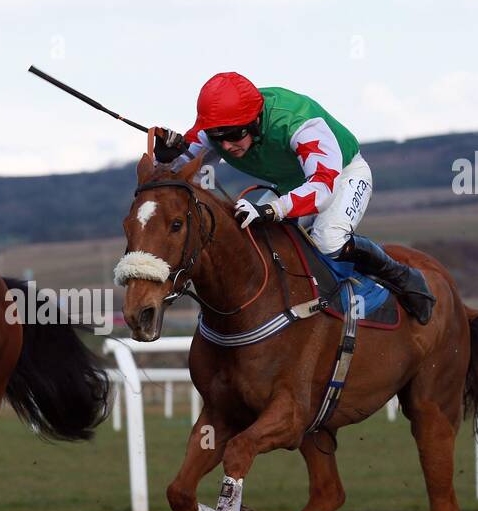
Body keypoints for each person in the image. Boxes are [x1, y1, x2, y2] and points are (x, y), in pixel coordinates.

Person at [155, 72, 435, 324]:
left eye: (235, 135)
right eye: (219, 138)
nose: (227, 146)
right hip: (291, 185)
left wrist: (273, 208)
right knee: (252, 237)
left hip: (340, 176)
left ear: (254, 121)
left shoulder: (298, 124)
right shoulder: (218, 128)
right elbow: (181, 167)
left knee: (328, 238)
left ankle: (401, 276)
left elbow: (322, 189)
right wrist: (167, 156)